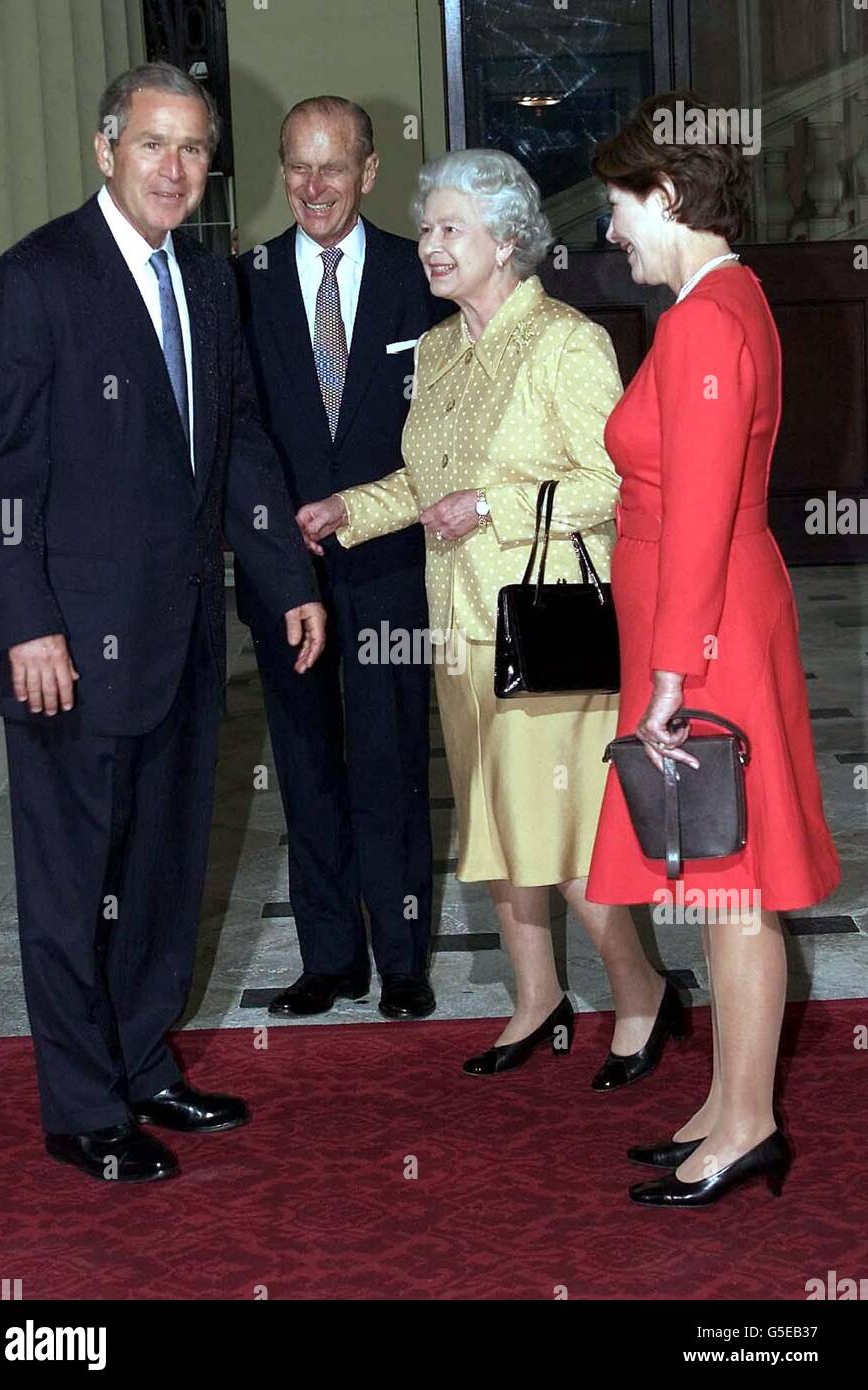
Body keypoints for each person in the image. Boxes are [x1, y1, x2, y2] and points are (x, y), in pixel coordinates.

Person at [0, 63, 325, 1183]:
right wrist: (24, 624)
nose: (173, 168)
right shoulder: (33, 283)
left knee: (166, 872)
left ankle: (143, 1061)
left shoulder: (210, 286)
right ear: (106, 149)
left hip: (181, 642)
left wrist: (288, 578)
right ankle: (80, 1105)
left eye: (193, 149)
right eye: (153, 144)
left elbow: (237, 450)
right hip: (66, 647)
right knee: (73, 888)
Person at [297, 149, 685, 1080]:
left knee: (566, 842)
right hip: (456, 627)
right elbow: (426, 483)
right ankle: (537, 1000)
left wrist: (492, 507)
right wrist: (357, 508)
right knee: (499, 832)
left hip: (546, 633)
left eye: (447, 229)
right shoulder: (434, 348)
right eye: (426, 228)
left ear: (506, 240)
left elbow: (617, 479)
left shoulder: (565, 342)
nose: (428, 245)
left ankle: (643, 998)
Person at [586, 92, 840, 1206]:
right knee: (719, 876)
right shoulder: (720, 300)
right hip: (702, 620)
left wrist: (674, 678)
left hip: (708, 631)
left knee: (732, 884)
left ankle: (746, 1124)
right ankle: (727, 1101)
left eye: (619, 208)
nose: (609, 233)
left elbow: (694, 513)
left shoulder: (701, 320)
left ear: (671, 197)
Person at [236, 98, 452, 1022]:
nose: (312, 187)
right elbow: (237, 430)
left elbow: (445, 430)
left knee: (392, 758)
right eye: (295, 166)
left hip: (391, 560)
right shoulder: (238, 284)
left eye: (332, 167)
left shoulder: (422, 277)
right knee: (306, 761)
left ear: (369, 172)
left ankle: (401, 958)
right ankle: (330, 959)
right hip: (285, 570)